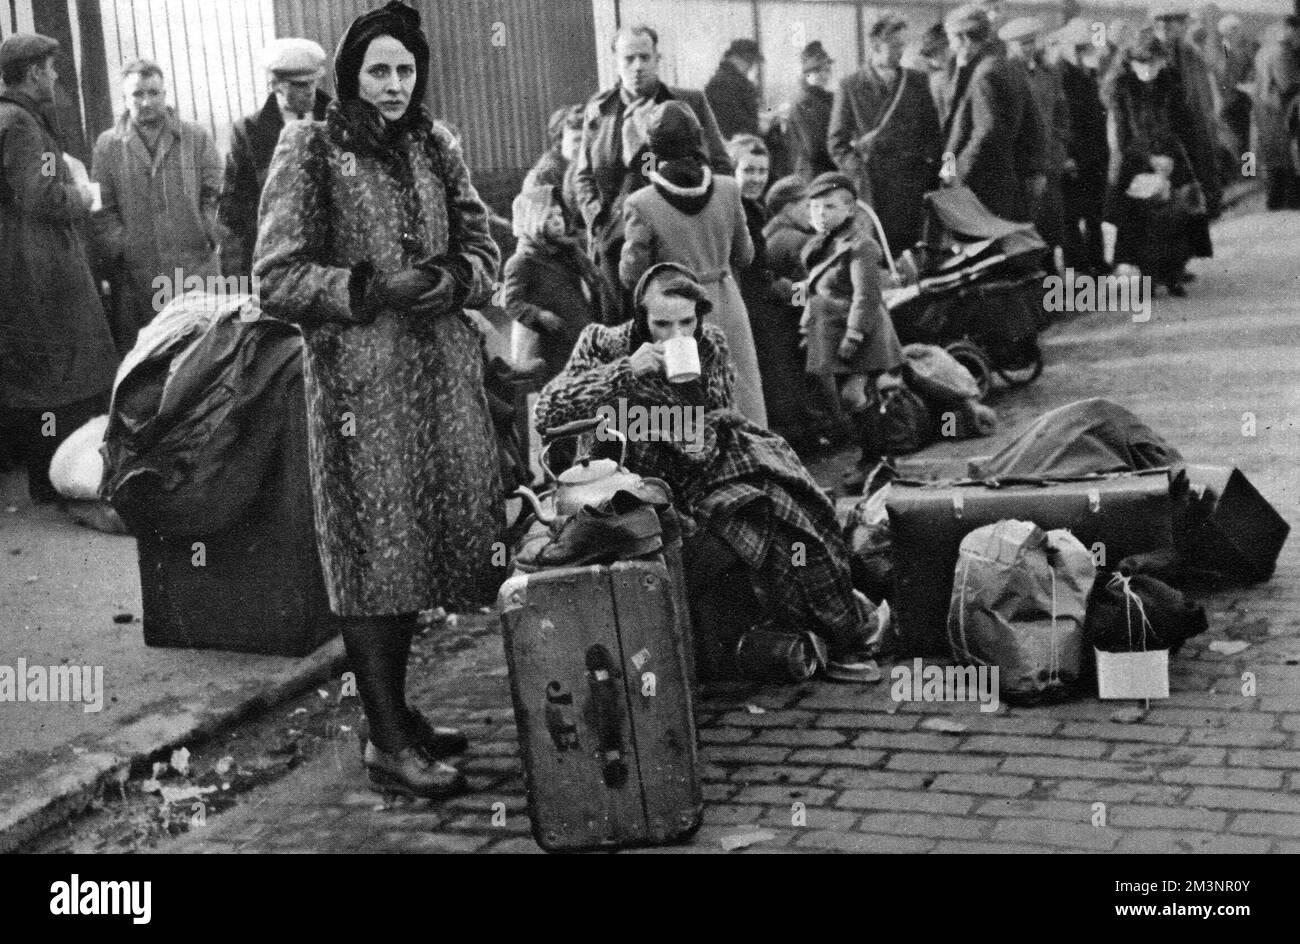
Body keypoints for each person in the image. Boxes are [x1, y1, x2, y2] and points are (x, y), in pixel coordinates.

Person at [254, 1, 502, 799]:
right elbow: (274, 277)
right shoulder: (311, 148)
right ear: (349, 76)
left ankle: (395, 713)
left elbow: (485, 243)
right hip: (361, 394)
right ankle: (388, 743)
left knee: (422, 550)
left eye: (405, 70)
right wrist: (365, 286)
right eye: (378, 71)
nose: (394, 86)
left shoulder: (438, 144)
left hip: (439, 383)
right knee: (372, 559)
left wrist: (454, 278)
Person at [534, 262, 882, 684]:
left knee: (791, 503)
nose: (676, 335)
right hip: (629, 482)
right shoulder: (602, 343)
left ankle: (837, 623)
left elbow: (707, 432)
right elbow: (547, 411)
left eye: (687, 321)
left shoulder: (710, 343)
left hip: (697, 469)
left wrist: (679, 401)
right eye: (662, 323)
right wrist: (624, 373)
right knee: (762, 504)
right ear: (640, 317)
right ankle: (836, 620)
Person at [0, 33, 119, 504]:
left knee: (47, 369)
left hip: (27, 259)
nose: (55, 75)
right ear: (32, 73)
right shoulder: (21, 124)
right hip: (37, 263)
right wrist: (85, 195)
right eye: (50, 68)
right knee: (58, 369)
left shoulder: (14, 118)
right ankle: (57, 479)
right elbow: (40, 197)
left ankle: (50, 477)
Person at [619, 101, 767, 427]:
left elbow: (632, 275)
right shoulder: (729, 189)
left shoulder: (641, 203)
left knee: (690, 400)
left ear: (652, 145)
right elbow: (746, 256)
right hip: (727, 301)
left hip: (678, 313)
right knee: (742, 392)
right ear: (699, 138)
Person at [574, 24, 732, 323]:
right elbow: (583, 176)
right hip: (615, 246)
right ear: (616, 62)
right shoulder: (599, 110)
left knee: (677, 330)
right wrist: (599, 220)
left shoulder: (689, 103)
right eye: (628, 59)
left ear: (658, 59)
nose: (637, 67)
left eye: (645, 58)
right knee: (622, 333)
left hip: (673, 242)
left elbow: (720, 166)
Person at [90, 59, 223, 354]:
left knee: (202, 354)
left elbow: (216, 190)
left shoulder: (195, 137)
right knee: (150, 357)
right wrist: (123, 246)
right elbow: (102, 208)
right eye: (137, 94)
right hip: (140, 277)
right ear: (125, 99)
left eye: (154, 92)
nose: (146, 101)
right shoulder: (108, 145)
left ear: (165, 94)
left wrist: (206, 230)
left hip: (194, 268)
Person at [799, 172, 905, 491]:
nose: (820, 214)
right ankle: (873, 458)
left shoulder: (861, 245)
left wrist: (854, 336)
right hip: (835, 334)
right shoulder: (824, 243)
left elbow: (866, 296)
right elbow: (818, 285)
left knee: (852, 396)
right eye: (814, 207)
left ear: (850, 210)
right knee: (854, 398)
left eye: (829, 207)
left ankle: (880, 460)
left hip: (863, 337)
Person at [828, 14, 942, 257]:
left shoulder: (918, 82)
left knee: (913, 255)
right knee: (878, 253)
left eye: (903, 45)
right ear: (876, 46)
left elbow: (934, 135)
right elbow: (836, 142)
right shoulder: (850, 86)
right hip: (874, 187)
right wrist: (858, 172)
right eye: (895, 46)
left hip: (911, 186)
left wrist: (931, 171)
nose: (901, 52)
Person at [729, 136, 816, 451]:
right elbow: (755, 271)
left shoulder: (753, 210)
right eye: (748, 170)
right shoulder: (735, 210)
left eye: (762, 171)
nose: (756, 178)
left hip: (764, 301)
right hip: (752, 306)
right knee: (775, 371)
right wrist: (801, 297)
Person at [218, 38, 331, 280]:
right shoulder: (249, 132)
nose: (311, 90)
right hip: (277, 261)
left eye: (314, 81)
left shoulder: (338, 123)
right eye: (300, 85)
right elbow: (234, 207)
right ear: (275, 85)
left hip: (332, 261)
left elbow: (352, 174)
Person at [1104, 31, 1202, 295]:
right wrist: (1150, 159)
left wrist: (1173, 157)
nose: (1148, 69)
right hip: (1134, 160)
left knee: (1174, 216)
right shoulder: (1120, 88)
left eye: (1153, 63)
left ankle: (1172, 273)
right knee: (1140, 221)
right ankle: (1147, 277)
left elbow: (1184, 125)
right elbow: (1122, 135)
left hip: (1171, 157)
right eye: (1142, 63)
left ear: (1162, 62)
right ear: (1131, 62)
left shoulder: (1170, 83)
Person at [938, 5, 1048, 224]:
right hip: (1006, 180)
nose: (951, 47)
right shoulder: (1006, 67)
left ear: (966, 40)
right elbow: (1034, 123)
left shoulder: (984, 74)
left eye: (952, 40)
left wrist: (957, 172)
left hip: (982, 184)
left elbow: (986, 132)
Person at [504, 183, 614, 383]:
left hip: (577, 336)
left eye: (559, 215)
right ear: (532, 219)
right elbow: (510, 302)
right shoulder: (522, 262)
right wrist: (538, 314)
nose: (558, 222)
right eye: (549, 217)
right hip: (548, 346)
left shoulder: (567, 251)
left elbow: (596, 282)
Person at [1150, 1, 1222, 263]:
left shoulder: (1188, 52)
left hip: (1190, 133)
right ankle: (1163, 263)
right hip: (1162, 137)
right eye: (1178, 23)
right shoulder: (1149, 52)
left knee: (1189, 197)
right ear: (1164, 24)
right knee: (1164, 201)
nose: (1181, 29)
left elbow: (1209, 76)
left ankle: (1180, 260)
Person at [1001, 17, 1072, 262]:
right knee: (1025, 226)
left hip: (1049, 160)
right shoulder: (1005, 75)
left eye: (1031, 42)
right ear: (1010, 46)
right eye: (1021, 43)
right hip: (1021, 165)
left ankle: (1051, 280)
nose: (1027, 48)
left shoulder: (1047, 74)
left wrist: (1060, 148)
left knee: (1051, 225)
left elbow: (1061, 115)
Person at [1056, 17, 1112, 273]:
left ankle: (1096, 261)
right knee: (1072, 214)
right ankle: (1078, 264)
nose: (1084, 52)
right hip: (1075, 153)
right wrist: (1066, 155)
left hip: (1093, 153)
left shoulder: (1085, 72)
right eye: (1080, 47)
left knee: (1093, 213)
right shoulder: (1061, 74)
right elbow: (1061, 118)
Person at [1253, 18, 1300, 210]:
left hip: (1266, 109)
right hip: (1277, 109)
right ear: (1290, 30)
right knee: (1285, 156)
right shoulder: (1282, 51)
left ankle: (1275, 201)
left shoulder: (1265, 49)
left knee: (1273, 157)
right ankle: (1287, 202)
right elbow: (1285, 84)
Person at [788, 41, 837, 180]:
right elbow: (814, 149)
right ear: (806, 74)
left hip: (825, 171)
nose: (825, 75)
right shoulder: (804, 102)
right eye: (817, 71)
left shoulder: (827, 98)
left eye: (827, 70)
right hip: (814, 175)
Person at [705, 38, 764, 140]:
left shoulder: (727, 81)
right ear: (735, 58)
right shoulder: (723, 84)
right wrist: (758, 127)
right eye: (749, 62)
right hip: (735, 146)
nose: (751, 67)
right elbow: (734, 123)